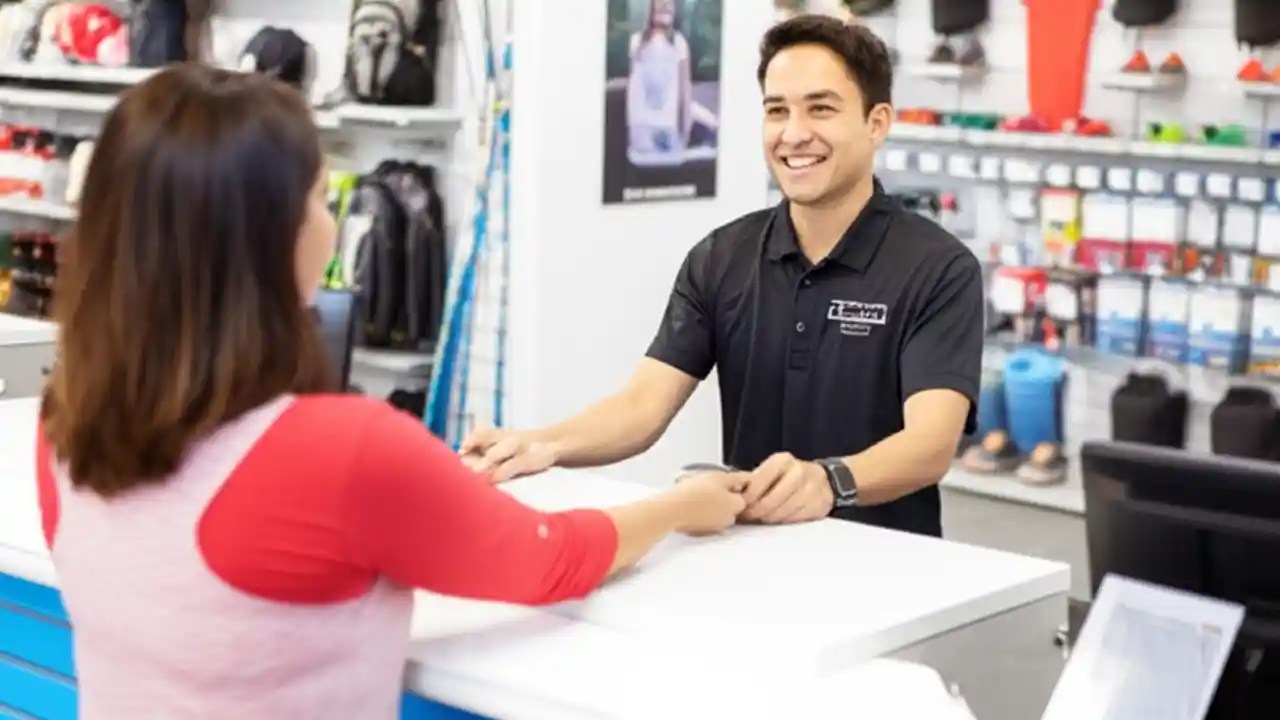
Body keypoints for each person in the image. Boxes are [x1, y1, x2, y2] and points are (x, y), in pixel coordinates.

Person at [35, 63, 745, 719]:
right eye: (319, 196)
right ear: (267, 235)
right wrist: (681, 505)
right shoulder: (340, 452)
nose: (331, 222)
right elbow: (550, 558)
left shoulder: (63, 423)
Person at [464, 16, 984, 538]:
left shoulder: (939, 268)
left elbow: (930, 444)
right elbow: (643, 407)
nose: (794, 133)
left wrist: (830, 481)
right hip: (746, 555)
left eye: (820, 109)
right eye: (776, 110)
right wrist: (546, 444)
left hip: (895, 574)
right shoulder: (721, 257)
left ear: (877, 123)